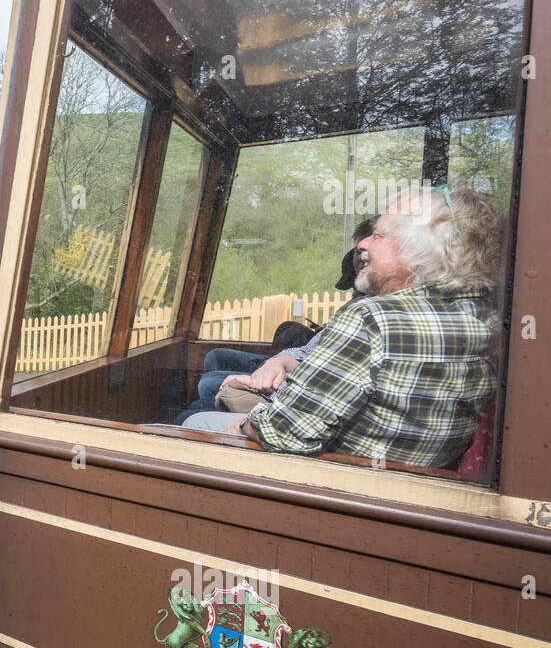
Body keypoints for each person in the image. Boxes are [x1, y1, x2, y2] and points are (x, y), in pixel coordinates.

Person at [183, 186, 502, 469]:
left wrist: (243, 425)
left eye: (378, 235)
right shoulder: (487, 319)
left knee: (193, 419)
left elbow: (285, 431)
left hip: (338, 474)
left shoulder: (373, 318)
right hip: (413, 477)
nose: (363, 243)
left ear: (418, 248)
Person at [174, 216, 375, 424]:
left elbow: (322, 390)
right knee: (215, 358)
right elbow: (307, 356)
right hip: (287, 377)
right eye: (358, 251)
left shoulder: (371, 316)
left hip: (289, 399)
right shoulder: (355, 307)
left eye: (368, 252)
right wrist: (277, 362)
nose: (361, 255)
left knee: (202, 396)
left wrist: (263, 383)